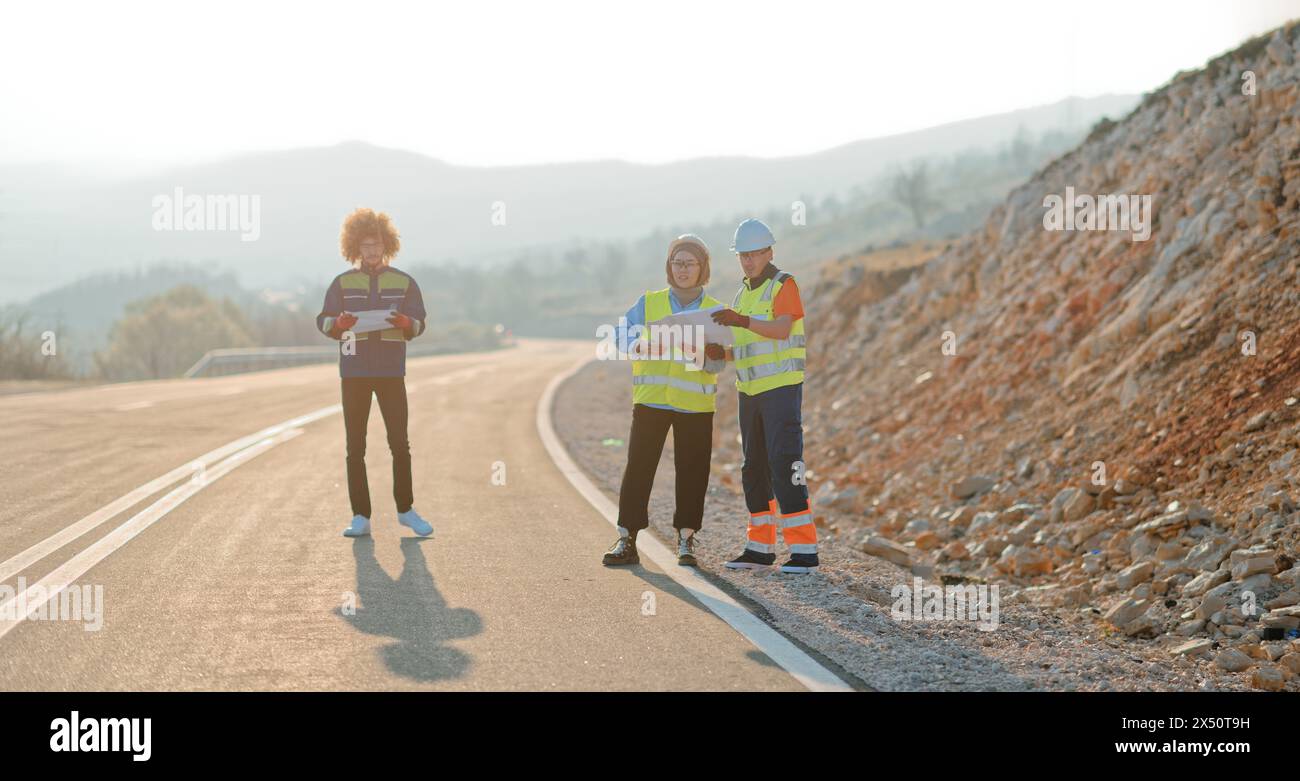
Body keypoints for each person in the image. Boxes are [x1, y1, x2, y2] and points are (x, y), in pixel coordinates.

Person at [602, 234, 727, 567]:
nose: (682, 269)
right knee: (638, 470)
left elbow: (720, 362)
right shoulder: (649, 302)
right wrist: (640, 343)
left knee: (692, 472)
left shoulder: (715, 311)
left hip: (695, 405)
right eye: (677, 262)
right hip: (651, 401)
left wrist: (703, 354)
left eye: (690, 263)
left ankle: (686, 540)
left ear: (703, 268)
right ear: (669, 267)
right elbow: (619, 334)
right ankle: (627, 538)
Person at [315, 207, 433, 538]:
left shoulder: (405, 282)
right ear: (355, 246)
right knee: (356, 446)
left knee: (400, 443)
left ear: (387, 244)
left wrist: (406, 323)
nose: (371, 250)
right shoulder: (341, 283)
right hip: (353, 371)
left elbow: (420, 322)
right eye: (365, 245)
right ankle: (360, 517)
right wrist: (338, 324)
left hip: (391, 371)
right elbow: (323, 321)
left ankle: (406, 510)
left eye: (376, 243)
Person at [710, 218, 818, 573]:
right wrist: (721, 355)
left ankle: (804, 551)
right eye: (743, 255)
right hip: (750, 394)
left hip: (781, 391)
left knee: (785, 462)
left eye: (756, 253)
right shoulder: (743, 294)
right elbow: (749, 347)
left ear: (770, 251)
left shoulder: (783, 285)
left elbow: (782, 328)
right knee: (753, 468)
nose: (749, 260)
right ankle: (760, 548)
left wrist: (741, 321)